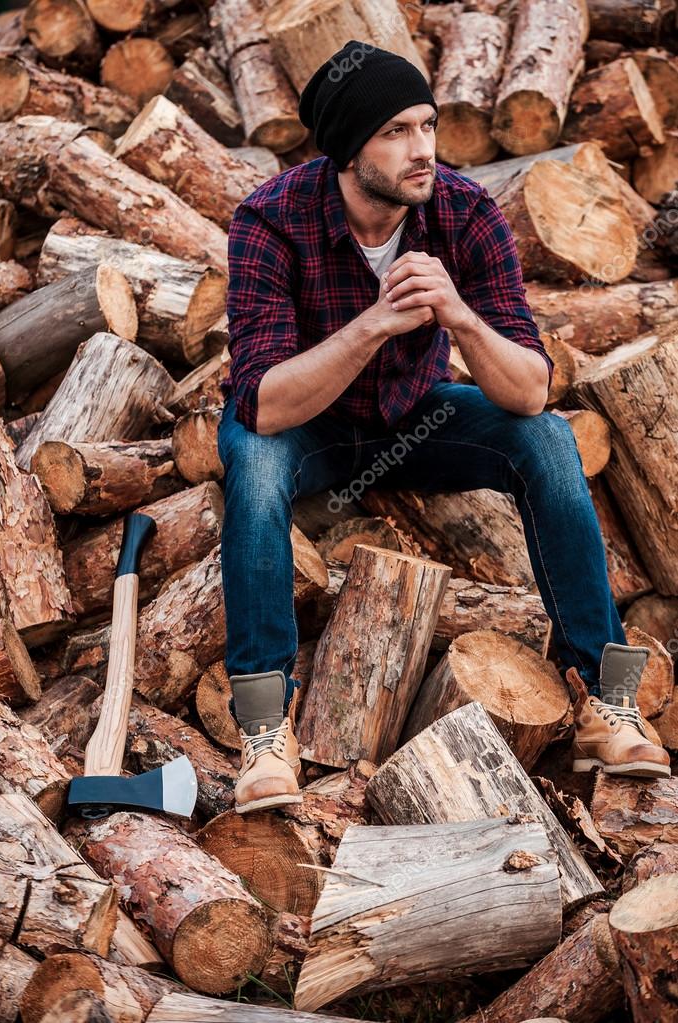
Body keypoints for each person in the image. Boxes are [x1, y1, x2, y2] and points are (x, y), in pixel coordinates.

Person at [218, 40, 671, 815]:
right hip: (309, 428)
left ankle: (604, 698)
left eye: (426, 124)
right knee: (254, 466)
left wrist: (457, 313)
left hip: (416, 421)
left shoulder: (464, 211)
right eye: (395, 131)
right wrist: (371, 325)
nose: (422, 148)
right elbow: (261, 403)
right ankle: (263, 730)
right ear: (346, 147)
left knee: (549, 439)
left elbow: (529, 390)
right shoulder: (270, 219)